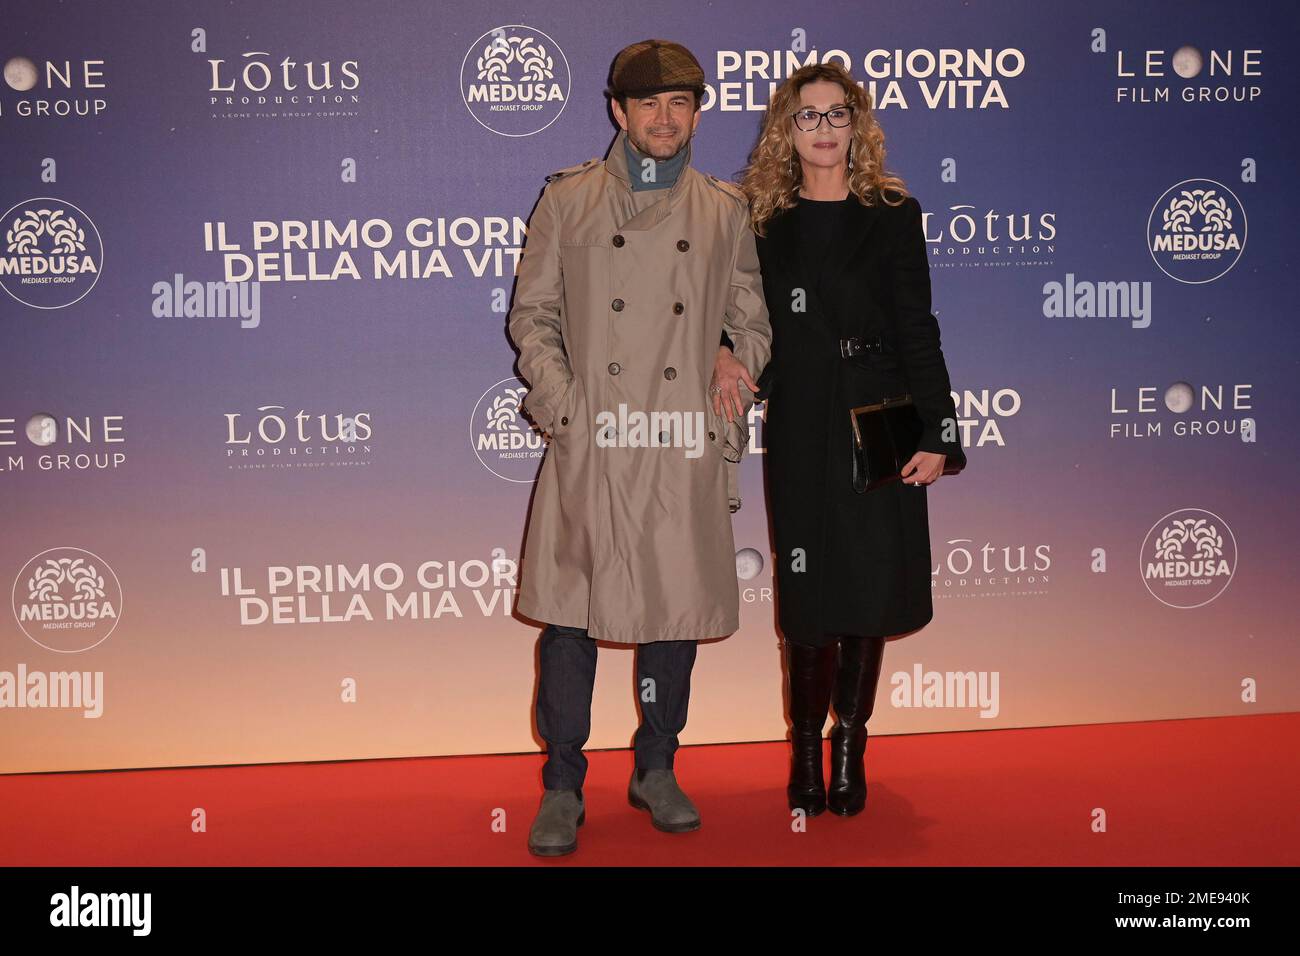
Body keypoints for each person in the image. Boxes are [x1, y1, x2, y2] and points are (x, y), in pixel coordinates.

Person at [508, 39, 771, 856]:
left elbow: (755, 321)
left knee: (672, 613)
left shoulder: (723, 211)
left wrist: (733, 352)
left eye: (681, 102)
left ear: (698, 112)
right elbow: (534, 318)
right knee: (572, 620)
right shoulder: (569, 201)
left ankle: (656, 767)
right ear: (617, 112)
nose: (665, 117)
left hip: (679, 435)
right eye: (648, 103)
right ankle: (561, 782)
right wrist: (568, 408)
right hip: (597, 437)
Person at [712, 62, 962, 817]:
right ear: (786, 132)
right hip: (798, 420)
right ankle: (803, 749)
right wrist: (724, 349)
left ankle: (850, 747)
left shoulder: (892, 212)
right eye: (807, 116)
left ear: (859, 126)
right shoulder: (760, 220)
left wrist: (939, 428)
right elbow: (738, 315)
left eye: (837, 114)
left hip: (878, 417)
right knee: (809, 593)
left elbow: (918, 326)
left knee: (867, 584)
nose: (823, 129)